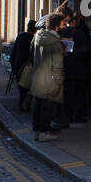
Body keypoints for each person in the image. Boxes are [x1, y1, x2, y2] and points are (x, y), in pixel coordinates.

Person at [30, 13, 66, 141]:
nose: (64, 25)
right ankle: (44, 132)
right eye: (63, 23)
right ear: (57, 26)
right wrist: (58, 81)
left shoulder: (38, 37)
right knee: (47, 108)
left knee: (38, 106)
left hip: (38, 76)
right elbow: (57, 66)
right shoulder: (55, 43)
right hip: (49, 80)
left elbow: (31, 54)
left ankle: (36, 131)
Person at [10, 20, 37, 113]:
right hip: (30, 66)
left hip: (18, 66)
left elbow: (13, 52)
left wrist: (13, 66)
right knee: (30, 87)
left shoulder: (20, 37)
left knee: (22, 87)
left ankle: (22, 103)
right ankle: (26, 104)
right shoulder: (35, 39)